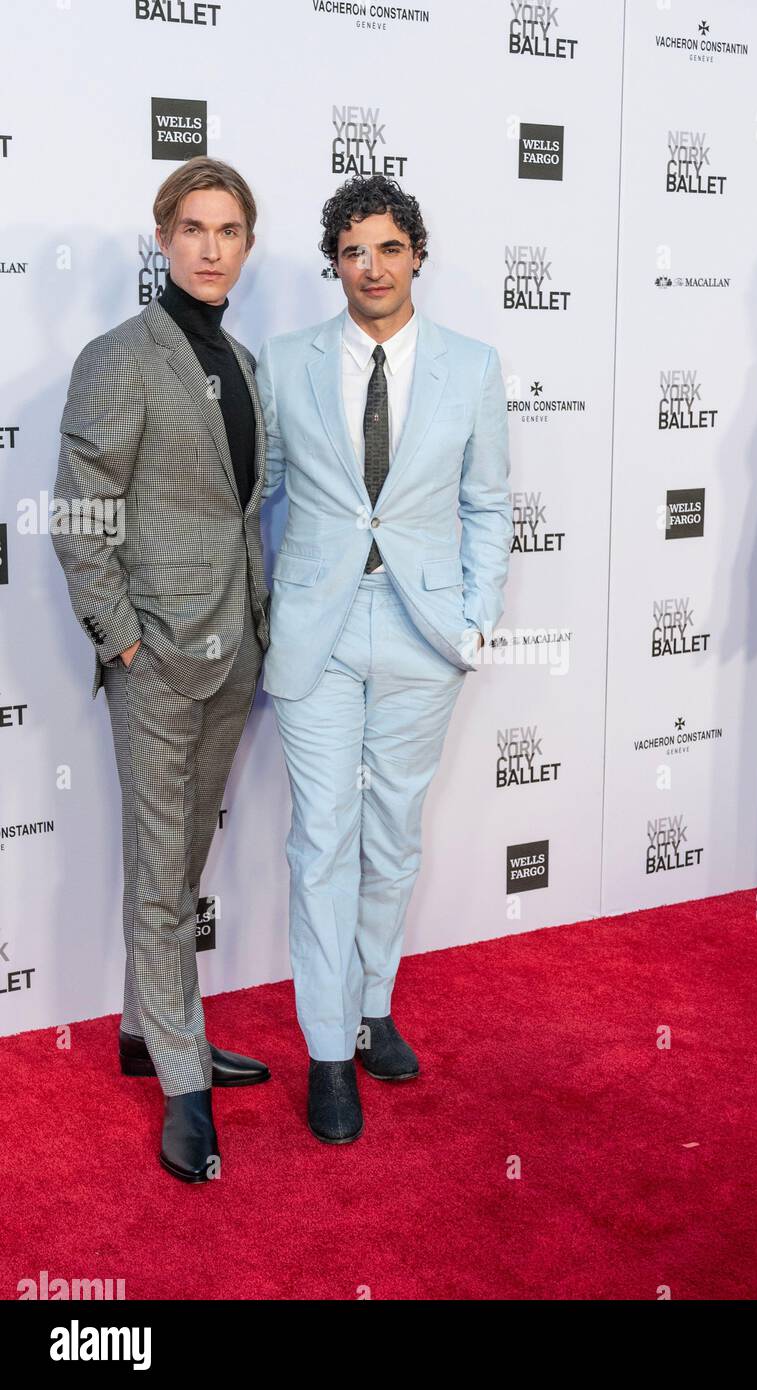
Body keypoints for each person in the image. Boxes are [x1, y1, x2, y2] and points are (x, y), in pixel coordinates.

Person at [258, 174, 512, 1143]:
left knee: (393, 834)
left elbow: (488, 503)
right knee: (323, 835)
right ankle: (328, 1050)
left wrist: (474, 620)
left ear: (417, 256)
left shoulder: (472, 365)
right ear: (334, 262)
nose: (371, 267)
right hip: (317, 632)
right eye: (353, 250)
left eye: (389, 248)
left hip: (423, 632)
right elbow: (266, 500)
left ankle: (372, 1008)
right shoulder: (285, 361)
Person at [51, 157, 272, 1183]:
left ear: (247, 246)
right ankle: (182, 1083)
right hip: (157, 657)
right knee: (157, 873)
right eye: (193, 227)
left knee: (179, 863)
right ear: (162, 239)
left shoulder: (244, 359)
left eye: (229, 230)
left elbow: (235, 512)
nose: (211, 247)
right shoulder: (120, 355)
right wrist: (121, 635)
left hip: (235, 650)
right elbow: (82, 511)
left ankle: (151, 1025)